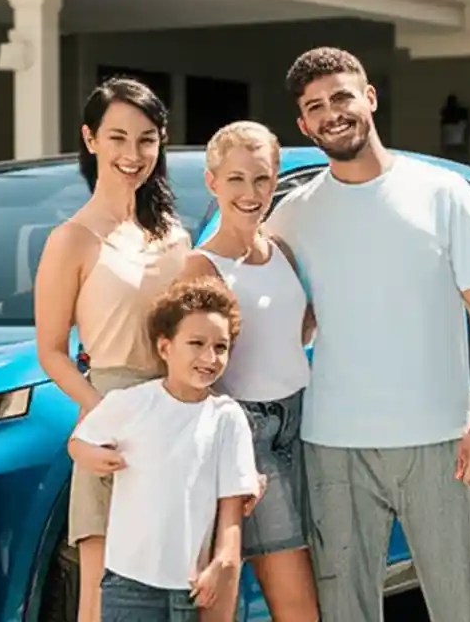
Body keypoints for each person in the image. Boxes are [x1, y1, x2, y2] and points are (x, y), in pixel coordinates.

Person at [265, 47, 470, 622]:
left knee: (461, 609)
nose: (332, 113)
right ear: (303, 124)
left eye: (342, 96)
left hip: (441, 440)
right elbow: (267, 310)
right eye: (315, 106)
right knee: (346, 611)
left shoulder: (443, 193)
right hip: (332, 443)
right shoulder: (292, 215)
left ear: (369, 98)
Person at [34, 76, 191, 622]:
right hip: (113, 423)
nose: (133, 153)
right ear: (90, 139)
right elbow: (52, 350)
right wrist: (106, 416)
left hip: (178, 417)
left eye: (146, 139)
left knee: (179, 588)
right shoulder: (72, 239)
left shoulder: (174, 235)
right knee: (102, 597)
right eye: (118, 137)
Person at [177, 121, 320, 622]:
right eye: (236, 179)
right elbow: (195, 370)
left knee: (317, 582)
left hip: (307, 423)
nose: (250, 192)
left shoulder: (281, 251)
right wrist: (237, 463)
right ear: (212, 182)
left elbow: (298, 330)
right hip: (251, 432)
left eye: (261, 179)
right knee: (296, 605)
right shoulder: (201, 266)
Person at [68, 277, 260, 622]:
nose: (209, 357)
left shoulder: (227, 418)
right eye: (196, 343)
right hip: (129, 583)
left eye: (221, 347)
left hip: (191, 586)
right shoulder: (131, 404)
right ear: (165, 347)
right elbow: (79, 441)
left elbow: (231, 511)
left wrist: (222, 563)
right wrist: (90, 455)